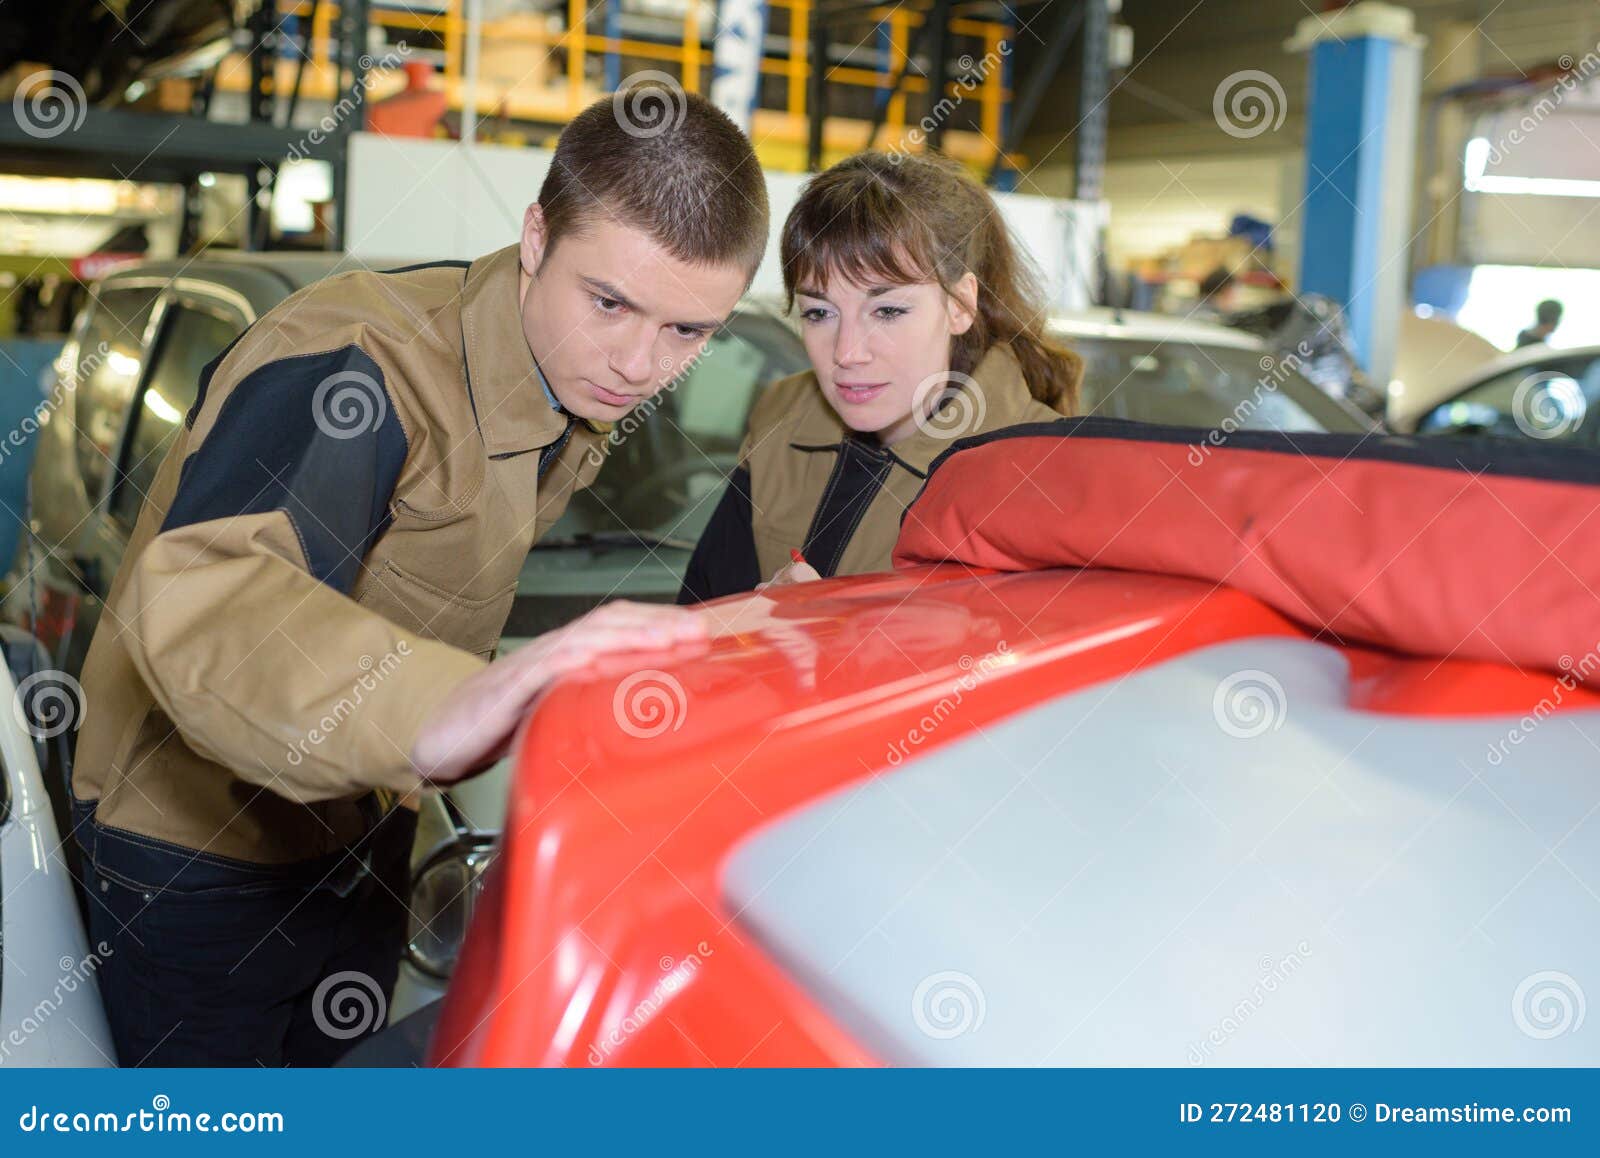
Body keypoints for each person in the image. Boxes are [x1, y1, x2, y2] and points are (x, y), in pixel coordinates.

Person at [69, 84, 769, 1067]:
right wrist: (446, 706)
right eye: (608, 301)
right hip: (200, 859)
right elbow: (211, 596)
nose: (639, 363)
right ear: (534, 238)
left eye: (687, 331)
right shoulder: (360, 367)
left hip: (361, 838)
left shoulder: (561, 384)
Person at [677, 151, 1082, 602]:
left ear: (960, 305)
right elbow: (703, 617)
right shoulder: (782, 415)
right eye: (819, 313)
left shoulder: (1038, 470)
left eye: (887, 311)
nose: (847, 352)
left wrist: (839, 634)